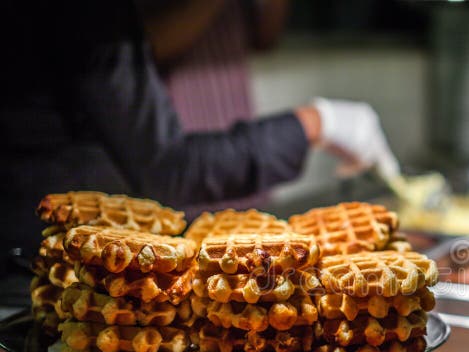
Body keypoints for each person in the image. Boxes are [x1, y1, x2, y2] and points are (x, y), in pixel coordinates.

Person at [0, 0, 400, 266]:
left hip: (56, 248)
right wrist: (317, 123)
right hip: (35, 262)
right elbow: (168, 169)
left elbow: (265, 36)